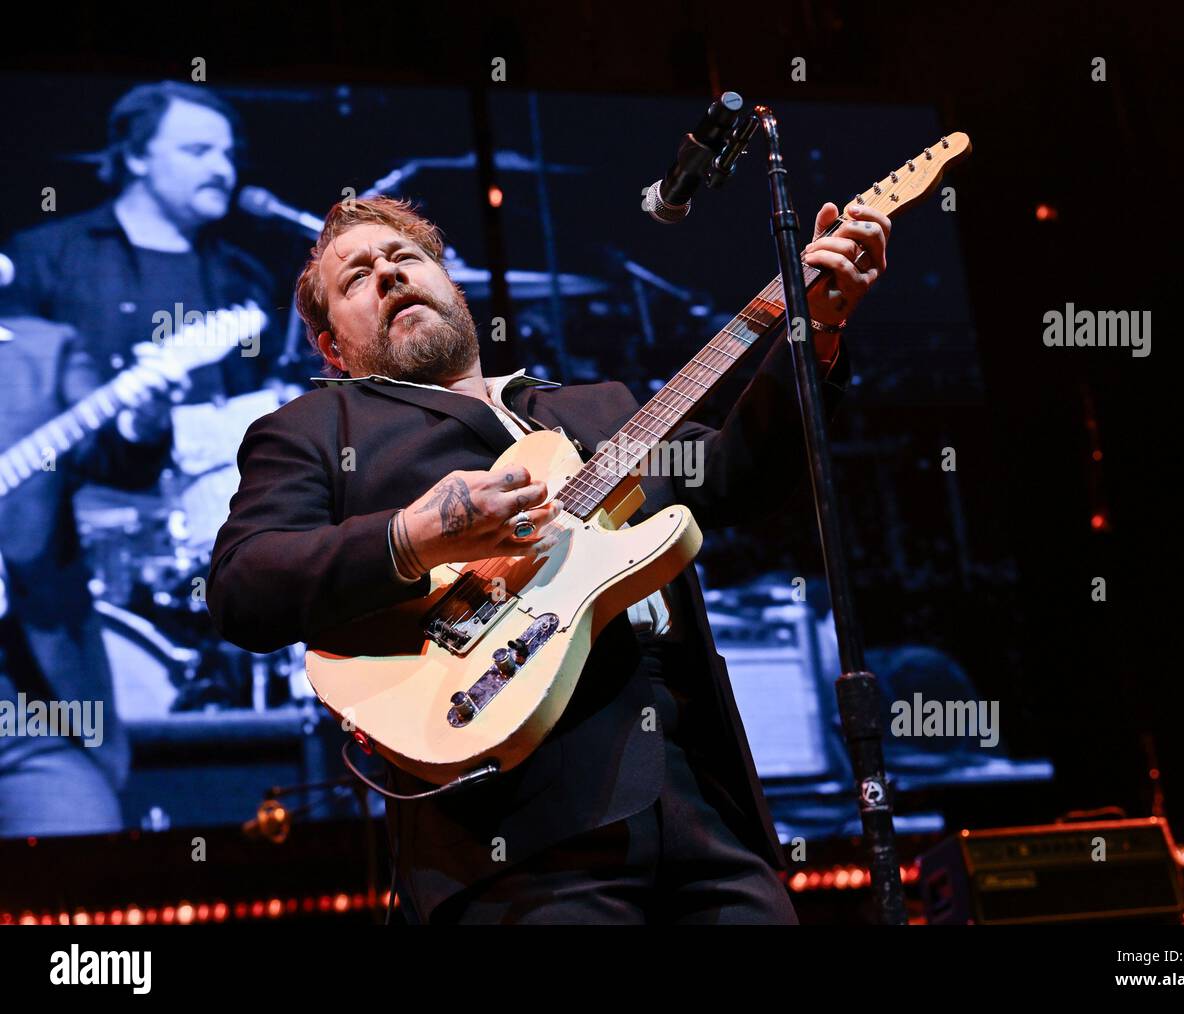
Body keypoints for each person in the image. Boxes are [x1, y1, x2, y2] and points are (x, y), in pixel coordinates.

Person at [208, 194, 889, 923]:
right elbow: (245, 583)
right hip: (517, 837)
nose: (388, 274)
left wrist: (815, 328)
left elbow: (739, 475)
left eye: (406, 258)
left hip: (703, 810)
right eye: (357, 277)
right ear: (332, 349)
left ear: (452, 287)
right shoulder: (315, 428)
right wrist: (413, 536)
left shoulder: (594, 409)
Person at [0, 317, 181, 836]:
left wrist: (141, 420)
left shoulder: (43, 352)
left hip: (28, 709)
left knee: (83, 864)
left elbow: (113, 455)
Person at [0, 80, 274, 401]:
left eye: (228, 155)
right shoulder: (44, 254)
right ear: (136, 157)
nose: (222, 169)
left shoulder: (243, 274)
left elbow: (264, 383)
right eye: (198, 151)